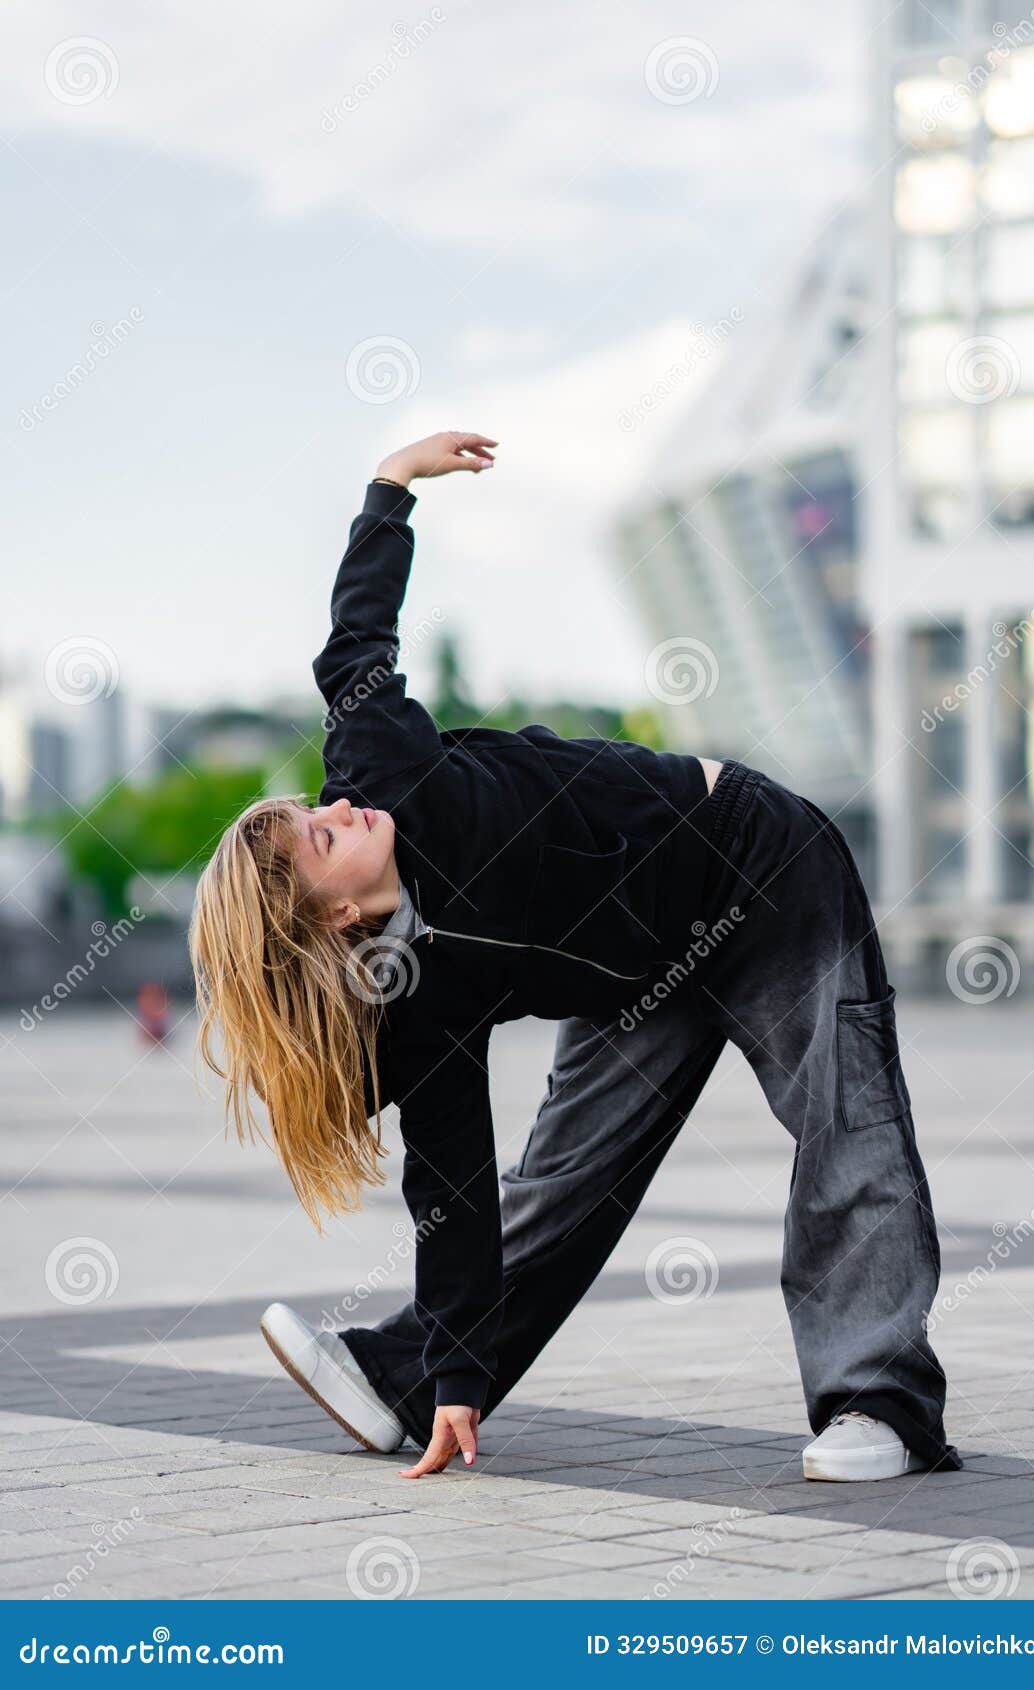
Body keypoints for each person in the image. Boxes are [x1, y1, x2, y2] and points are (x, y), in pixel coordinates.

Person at [190, 430, 959, 1484]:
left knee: (844, 1118)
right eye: (322, 840)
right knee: (559, 1180)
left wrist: (390, 487)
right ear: (331, 922)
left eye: (316, 812)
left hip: (757, 866)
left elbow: (355, 643)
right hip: (635, 978)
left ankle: (881, 1402)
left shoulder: (382, 767)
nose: (340, 810)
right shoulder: (411, 1001)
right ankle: (405, 1380)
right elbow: (452, 1189)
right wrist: (457, 1382)